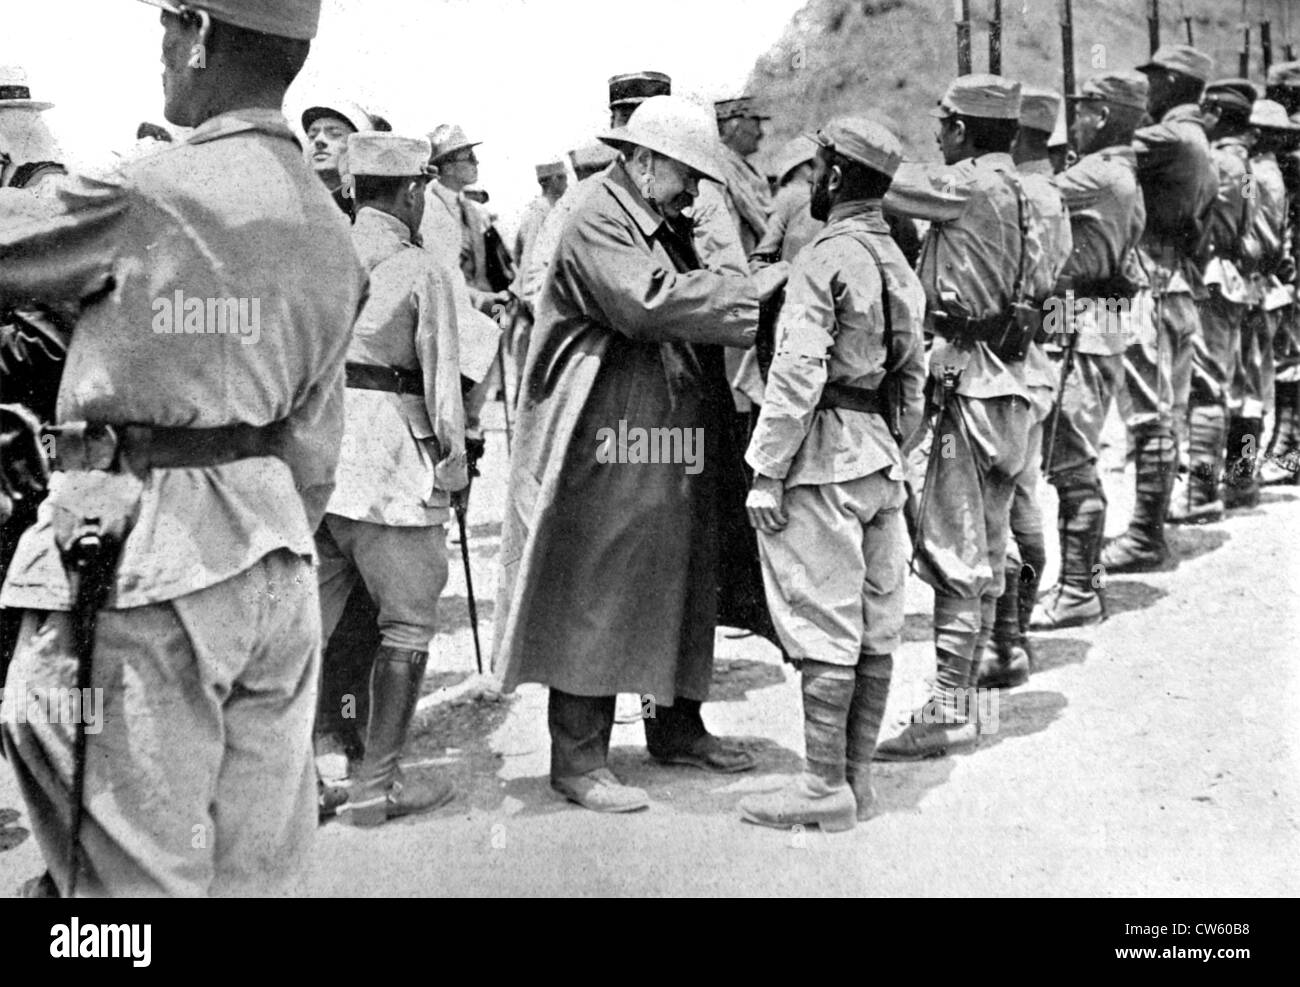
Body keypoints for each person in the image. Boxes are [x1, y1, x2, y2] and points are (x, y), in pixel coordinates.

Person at [0, 0, 365, 896]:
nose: (161, 50)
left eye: (167, 26)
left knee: (127, 887)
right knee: (248, 873)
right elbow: (315, 443)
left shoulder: (149, 191)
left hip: (142, 559)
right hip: (274, 562)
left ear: (199, 33)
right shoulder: (328, 223)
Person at [491, 95, 788, 813]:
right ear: (646, 160)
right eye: (686, 174)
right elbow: (646, 302)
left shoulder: (658, 213)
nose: (694, 190)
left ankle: (677, 725)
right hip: (608, 426)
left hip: (664, 425)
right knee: (601, 574)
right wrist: (751, 295)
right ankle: (578, 755)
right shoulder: (597, 213)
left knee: (680, 569)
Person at [737, 118, 925, 831]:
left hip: (822, 455)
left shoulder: (822, 258)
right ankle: (857, 779)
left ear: (838, 177)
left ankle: (823, 788)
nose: (810, 184)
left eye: (816, 171)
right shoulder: (897, 259)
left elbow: (797, 371)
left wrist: (766, 467)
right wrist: (895, 446)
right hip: (879, 455)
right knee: (876, 624)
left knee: (823, 620)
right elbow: (911, 372)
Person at [875, 75, 1048, 759]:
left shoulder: (969, 184)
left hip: (966, 378)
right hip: (1010, 384)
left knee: (954, 548)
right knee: (986, 542)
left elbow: (881, 182)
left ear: (966, 131)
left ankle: (950, 707)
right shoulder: (1027, 191)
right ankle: (979, 677)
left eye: (945, 121)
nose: (937, 132)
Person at [316, 133, 468, 827]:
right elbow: (442, 382)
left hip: (321, 467)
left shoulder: (321, 250)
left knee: (306, 629)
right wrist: (456, 464)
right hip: (391, 470)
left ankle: (300, 779)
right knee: (406, 625)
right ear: (411, 192)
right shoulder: (420, 269)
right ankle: (377, 787)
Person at [1031, 71, 1149, 631]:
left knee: (1072, 460)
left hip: (1081, 323)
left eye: (1081, 111)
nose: (1073, 120)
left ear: (1100, 117)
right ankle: (1079, 582)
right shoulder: (1121, 172)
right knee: (1069, 453)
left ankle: (1079, 590)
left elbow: (1026, 195)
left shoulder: (1099, 173)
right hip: (1095, 321)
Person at [1100, 44, 1218, 571]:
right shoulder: (1201, 141)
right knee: (1166, 412)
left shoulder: (1169, 137)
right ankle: (1153, 527)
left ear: (1173, 82)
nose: (1148, 88)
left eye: (1154, 80)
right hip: (1177, 283)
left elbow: (1103, 145)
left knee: (1147, 414)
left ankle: (1146, 536)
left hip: (1147, 280)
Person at [978, 86, 1073, 688]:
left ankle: (1004, 641)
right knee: (1023, 493)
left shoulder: (993, 190)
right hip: (1035, 356)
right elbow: (1059, 287)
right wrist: (1054, 349)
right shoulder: (1051, 194)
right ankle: (1018, 631)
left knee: (996, 507)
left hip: (990, 359)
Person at [1165, 77, 1257, 524]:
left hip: (1210, 276)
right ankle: (1214, 487)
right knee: (1220, 382)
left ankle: (1201, 492)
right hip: (1232, 276)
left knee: (1204, 385)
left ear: (1217, 115)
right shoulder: (1247, 166)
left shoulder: (1219, 162)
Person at [519, 71, 672, 314]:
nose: (636, 129)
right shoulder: (580, 199)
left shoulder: (691, 196)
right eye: (626, 118)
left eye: (648, 119)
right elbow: (537, 281)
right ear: (613, 124)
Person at [301, 99, 386, 216]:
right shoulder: (294, 201)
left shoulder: (377, 207)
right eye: (312, 136)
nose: (318, 141)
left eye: (335, 134)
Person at [713, 96, 773, 256]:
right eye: (755, 124)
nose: (759, 133)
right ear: (735, 127)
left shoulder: (744, 168)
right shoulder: (719, 169)